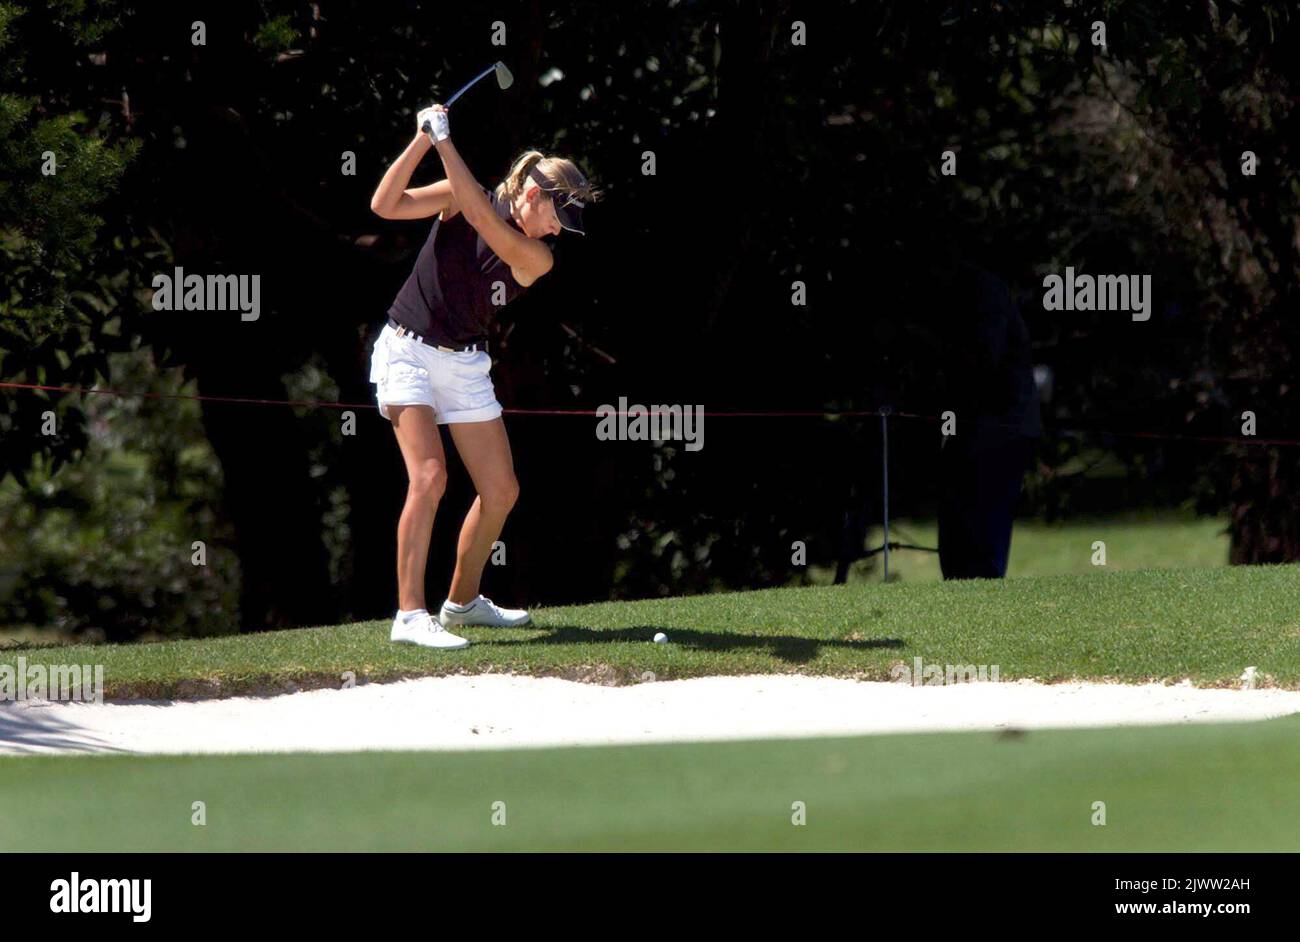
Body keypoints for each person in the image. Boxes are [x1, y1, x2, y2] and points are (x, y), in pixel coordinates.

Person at [368, 103, 596, 648]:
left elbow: (483, 221)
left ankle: (462, 604)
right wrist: (424, 139)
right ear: (535, 196)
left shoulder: (536, 256)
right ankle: (408, 615)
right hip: (408, 350)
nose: (556, 233)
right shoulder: (459, 195)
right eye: (555, 219)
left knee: (500, 489)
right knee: (429, 477)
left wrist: (448, 144)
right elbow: (384, 204)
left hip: (464, 362)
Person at [935, 262, 1042, 579]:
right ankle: (968, 585)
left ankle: (980, 585)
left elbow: (984, 362)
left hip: (999, 428)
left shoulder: (983, 291)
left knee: (984, 524)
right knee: (967, 524)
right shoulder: (977, 289)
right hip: (989, 426)